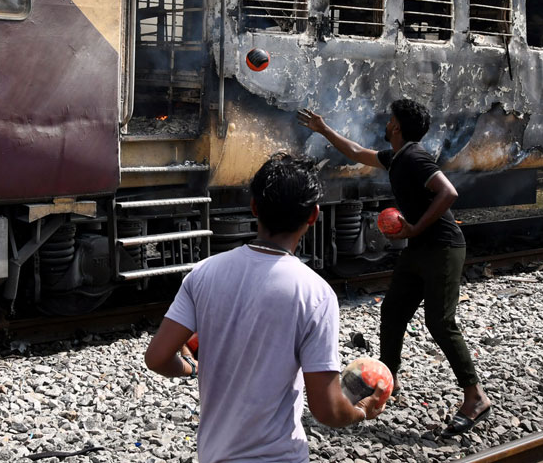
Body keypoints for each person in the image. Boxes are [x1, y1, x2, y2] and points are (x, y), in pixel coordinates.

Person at [144, 153, 388, 463]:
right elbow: (326, 410)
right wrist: (360, 412)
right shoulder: (315, 294)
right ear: (313, 216)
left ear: (254, 207)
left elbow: (157, 358)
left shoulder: (204, 272)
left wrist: (192, 367)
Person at [297, 99, 492, 437]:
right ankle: (388, 380)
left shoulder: (415, 157)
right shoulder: (397, 157)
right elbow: (357, 152)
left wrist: (415, 228)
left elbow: (448, 193)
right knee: (393, 311)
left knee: (440, 322)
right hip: (420, 249)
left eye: (390, 120)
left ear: (397, 127)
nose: (386, 125)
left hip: (443, 247)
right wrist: (324, 129)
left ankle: (475, 397)